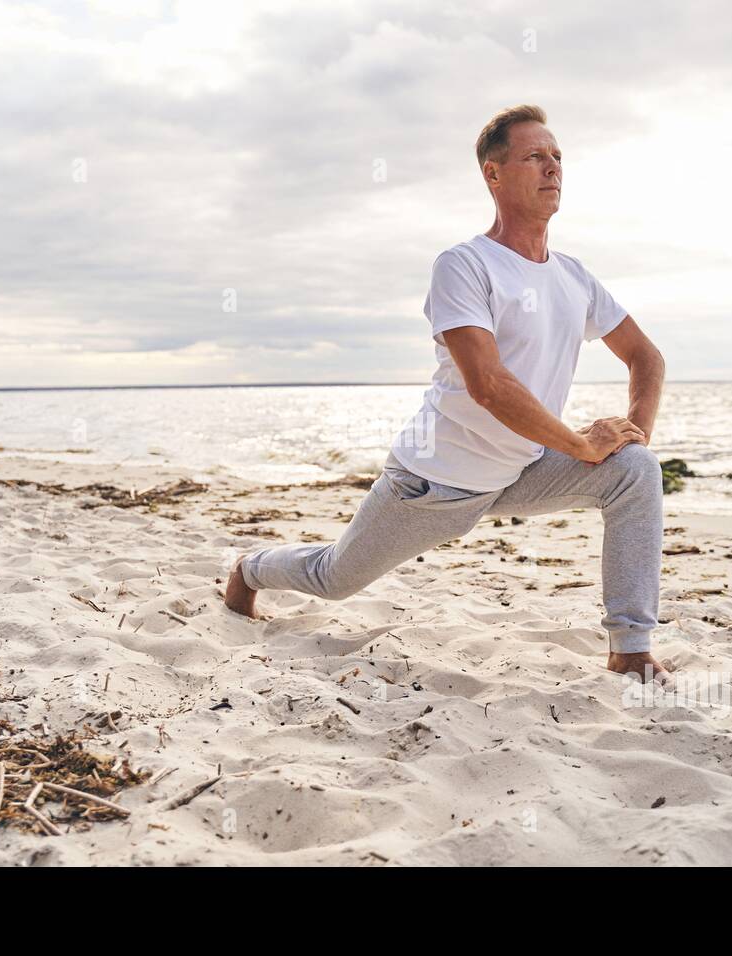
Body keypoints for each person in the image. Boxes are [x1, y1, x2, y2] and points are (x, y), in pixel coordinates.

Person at [225, 104, 668, 682]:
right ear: (493, 173)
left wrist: (631, 434)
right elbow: (489, 385)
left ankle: (630, 650)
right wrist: (583, 444)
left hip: (523, 468)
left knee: (635, 469)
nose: (553, 167)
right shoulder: (464, 265)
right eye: (535, 156)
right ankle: (250, 569)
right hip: (435, 480)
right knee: (333, 578)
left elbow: (646, 357)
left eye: (558, 157)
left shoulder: (574, 276)